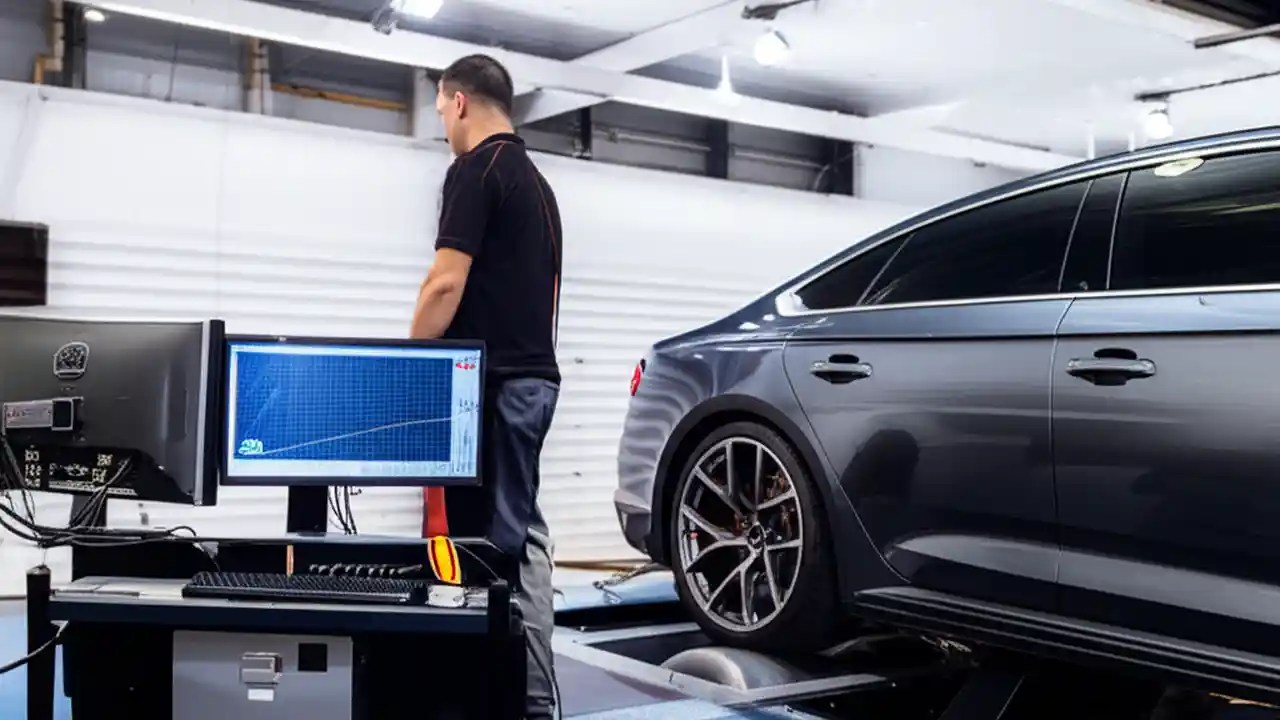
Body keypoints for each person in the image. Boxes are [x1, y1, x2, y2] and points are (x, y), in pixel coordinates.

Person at [410, 53, 563, 720]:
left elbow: (444, 283)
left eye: (441, 111)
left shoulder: (476, 170)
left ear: (461, 101)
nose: (444, 125)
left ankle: (528, 705)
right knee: (512, 539)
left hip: (498, 387)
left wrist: (408, 367)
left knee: (504, 552)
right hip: (525, 381)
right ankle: (508, 696)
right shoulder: (537, 183)